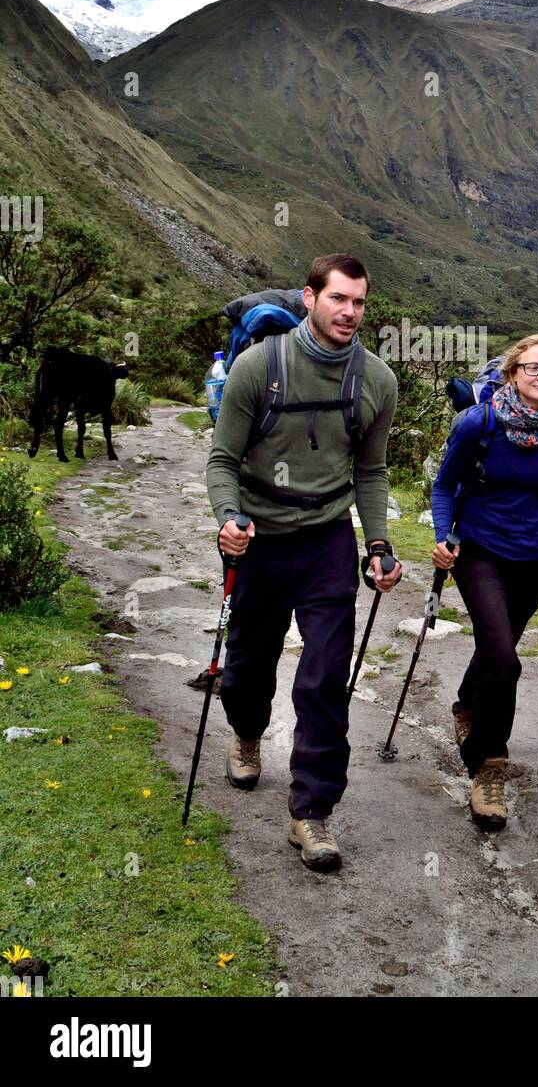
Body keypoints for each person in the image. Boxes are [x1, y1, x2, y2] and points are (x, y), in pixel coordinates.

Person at [206, 253, 401, 872]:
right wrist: (229, 520)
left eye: (360, 302)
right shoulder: (257, 367)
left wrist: (378, 545)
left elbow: (370, 471)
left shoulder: (376, 381)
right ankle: (246, 732)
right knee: (247, 665)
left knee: (323, 679)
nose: (350, 312)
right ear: (310, 298)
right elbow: (221, 462)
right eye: (339, 299)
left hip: (326, 542)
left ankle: (311, 813)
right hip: (260, 536)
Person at [431, 334, 538, 831]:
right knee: (503, 656)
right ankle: (488, 765)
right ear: (513, 371)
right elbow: (445, 484)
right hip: (479, 550)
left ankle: (467, 703)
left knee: (498, 649)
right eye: (534, 368)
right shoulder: (480, 422)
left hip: (537, 557)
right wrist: (443, 535)